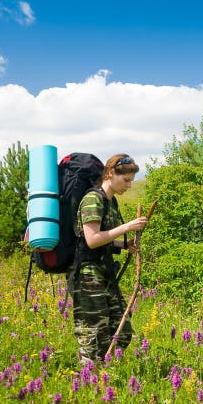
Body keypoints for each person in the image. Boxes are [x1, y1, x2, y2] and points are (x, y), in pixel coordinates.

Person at [69, 154, 148, 365]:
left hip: (105, 274)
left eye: (131, 180)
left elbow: (104, 238)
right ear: (111, 173)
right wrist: (126, 227)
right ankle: (88, 382)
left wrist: (124, 244)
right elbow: (92, 239)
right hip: (88, 277)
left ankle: (105, 374)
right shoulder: (92, 199)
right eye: (126, 180)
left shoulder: (111, 202)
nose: (129, 185)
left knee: (121, 331)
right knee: (92, 335)